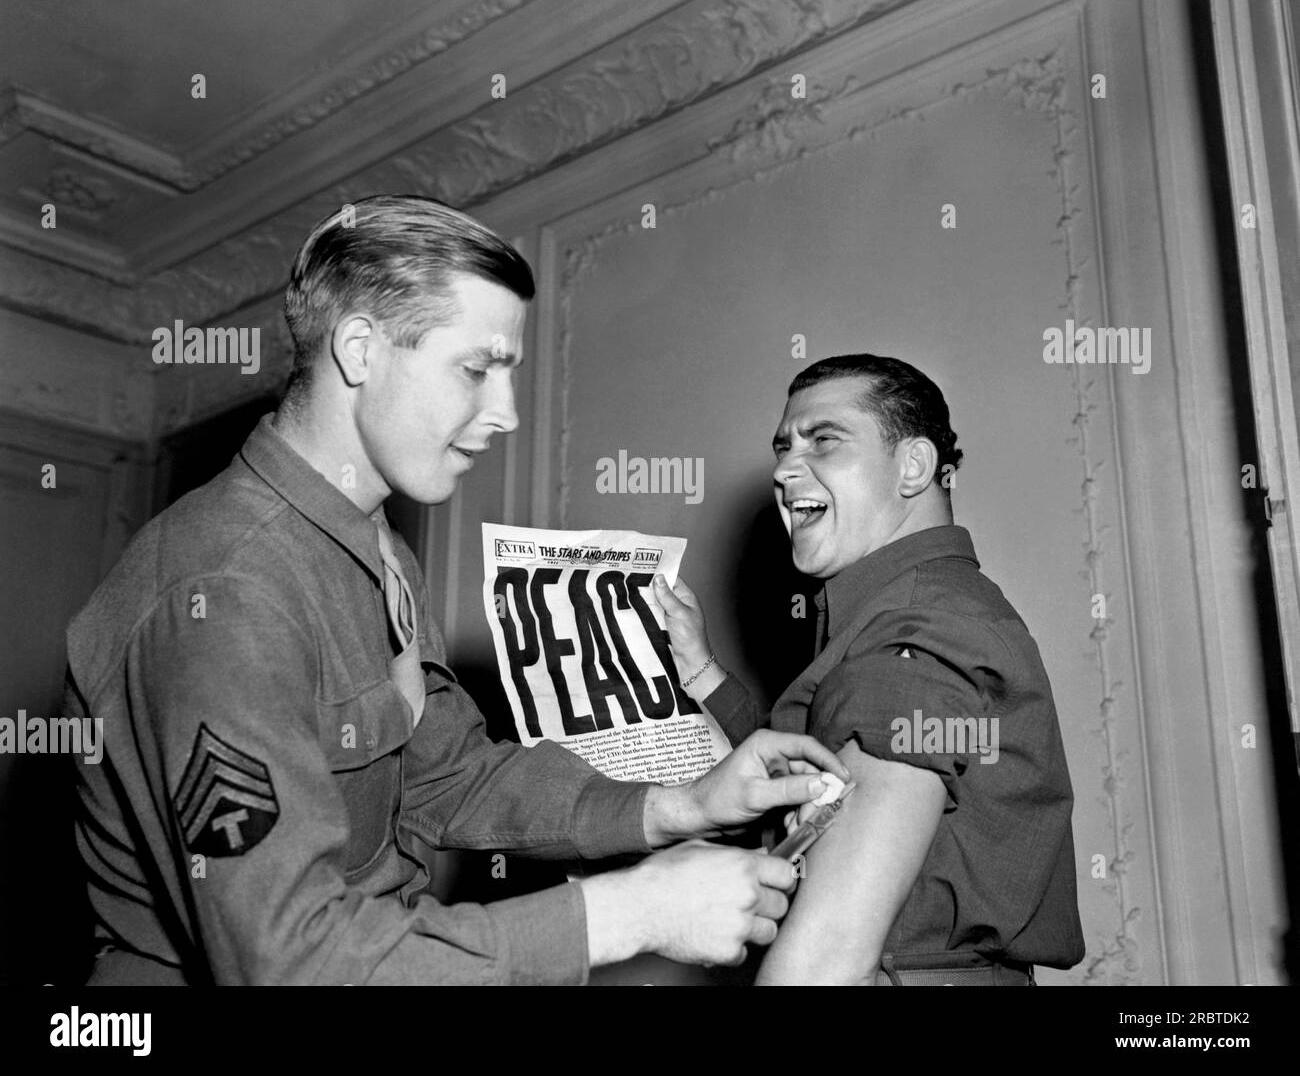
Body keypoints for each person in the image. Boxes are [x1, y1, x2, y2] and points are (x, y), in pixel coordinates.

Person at [63, 195, 848, 986]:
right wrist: (626, 914)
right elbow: (290, 959)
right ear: (360, 350)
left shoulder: (376, 550)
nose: (506, 413)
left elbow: (449, 773)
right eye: (477, 369)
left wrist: (686, 801)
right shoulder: (226, 590)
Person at [654, 354, 1085, 985]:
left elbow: (827, 959)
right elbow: (823, 779)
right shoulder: (931, 611)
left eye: (823, 440)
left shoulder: (912, 638)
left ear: (913, 466)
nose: (783, 469)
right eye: (783, 446)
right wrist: (700, 669)